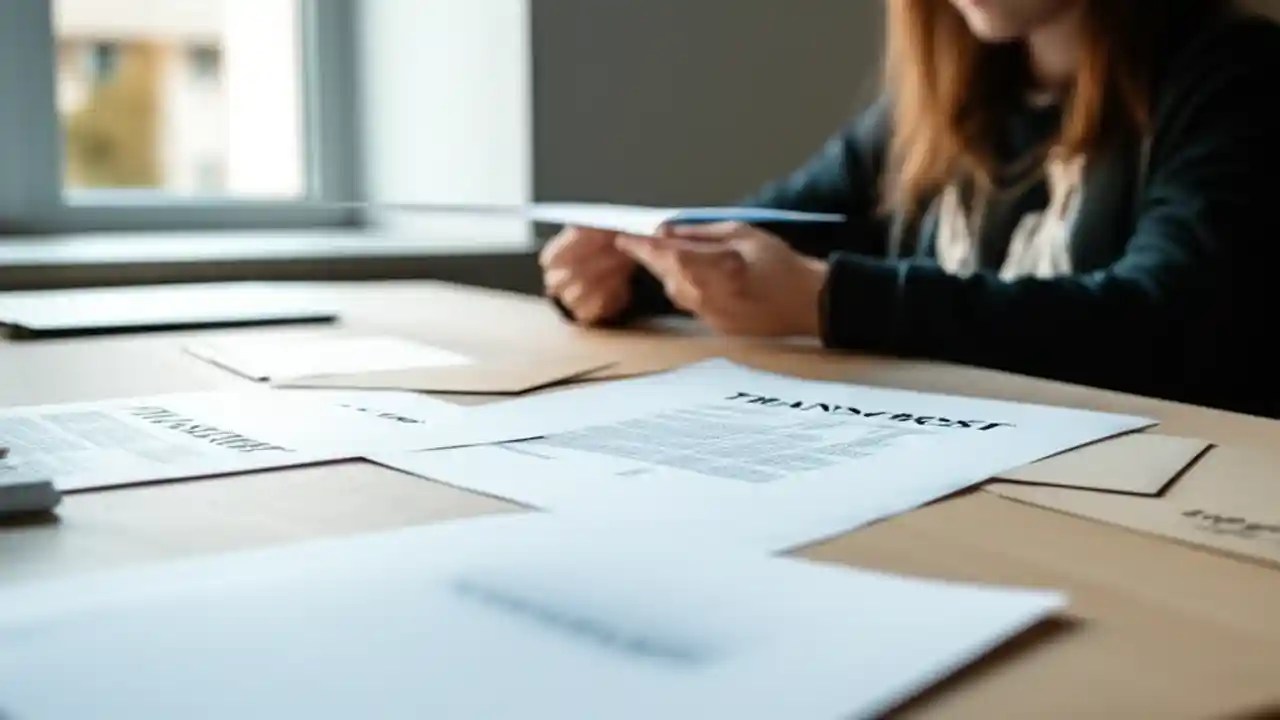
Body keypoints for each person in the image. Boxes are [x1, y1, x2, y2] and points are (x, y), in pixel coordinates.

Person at [539, 0, 1280, 418]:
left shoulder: (1233, 79)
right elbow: (762, 231)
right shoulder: (928, 116)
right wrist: (630, 270)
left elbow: (1169, 322)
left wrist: (833, 300)